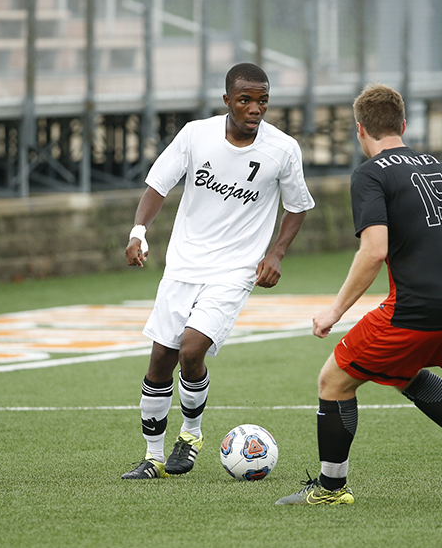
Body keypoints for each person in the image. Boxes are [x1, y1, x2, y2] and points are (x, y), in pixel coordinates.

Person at [275, 84, 442, 505]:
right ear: (402, 124)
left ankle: (330, 489)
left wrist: (334, 311)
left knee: (335, 379)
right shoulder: (441, 170)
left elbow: (374, 250)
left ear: (360, 130)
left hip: (413, 308)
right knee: (404, 373)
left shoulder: (371, 174)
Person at [121, 62, 316, 479]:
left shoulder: (282, 149)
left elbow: (297, 206)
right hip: (184, 263)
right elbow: (159, 183)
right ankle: (153, 456)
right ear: (227, 100)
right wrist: (139, 231)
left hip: (235, 269)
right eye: (245, 99)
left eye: (262, 100)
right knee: (160, 359)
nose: (254, 108)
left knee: (191, 350)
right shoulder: (196, 135)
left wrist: (276, 253)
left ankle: (190, 435)